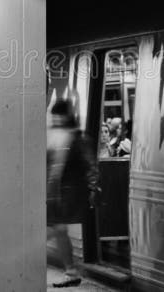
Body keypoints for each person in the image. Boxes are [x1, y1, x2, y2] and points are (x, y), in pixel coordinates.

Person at [47, 98, 98, 288]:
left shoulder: (78, 138)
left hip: (68, 193)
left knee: (58, 230)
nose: (57, 119)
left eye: (60, 115)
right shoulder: (52, 136)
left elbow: (90, 165)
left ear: (68, 116)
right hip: (54, 193)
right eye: (55, 115)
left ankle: (71, 272)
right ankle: (70, 271)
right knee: (57, 231)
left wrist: (93, 188)